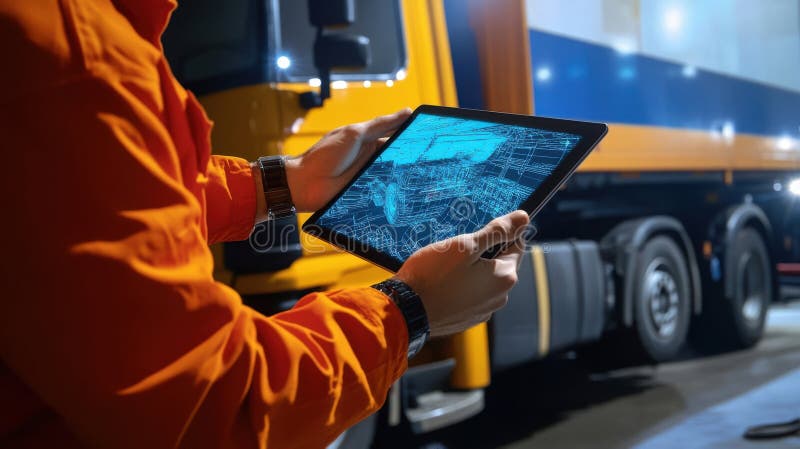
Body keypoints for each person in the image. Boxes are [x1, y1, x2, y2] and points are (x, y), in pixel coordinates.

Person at [0, 1, 529, 448]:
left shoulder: (76, 32)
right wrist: (409, 309)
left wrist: (288, 183)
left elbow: (118, 196)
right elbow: (212, 407)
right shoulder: (80, 56)